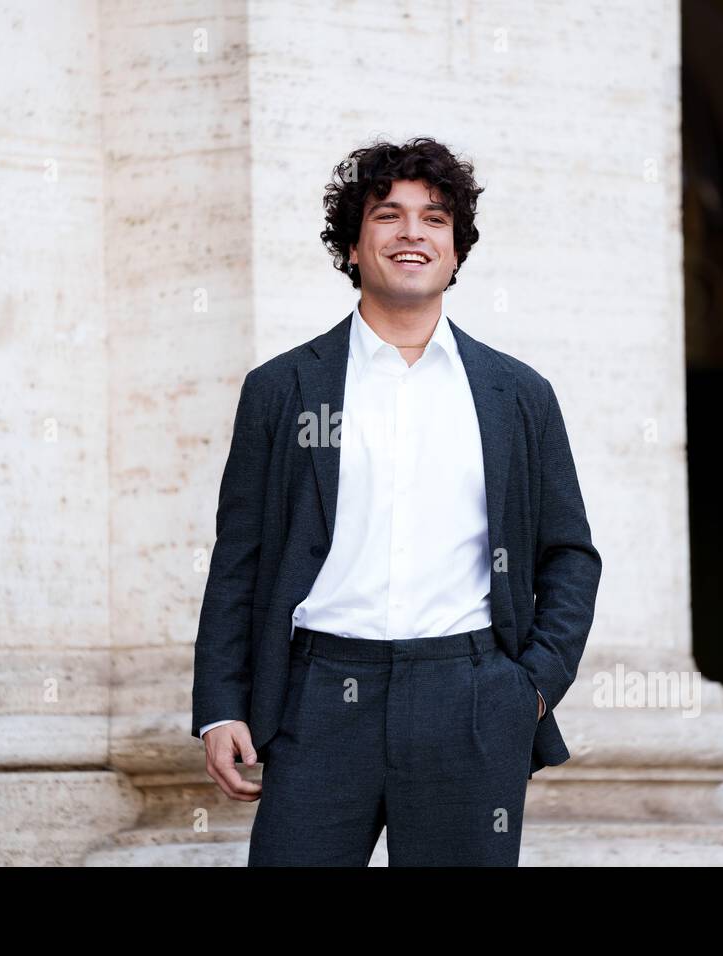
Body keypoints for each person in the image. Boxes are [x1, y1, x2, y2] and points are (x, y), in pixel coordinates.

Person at [191, 136, 602, 866]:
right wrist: (221, 705)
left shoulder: (518, 396)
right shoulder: (282, 390)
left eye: (435, 219)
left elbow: (569, 554)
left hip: (471, 700)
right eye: (388, 215)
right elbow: (240, 559)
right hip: (317, 699)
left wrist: (531, 689)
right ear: (352, 246)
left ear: (455, 251)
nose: (413, 232)